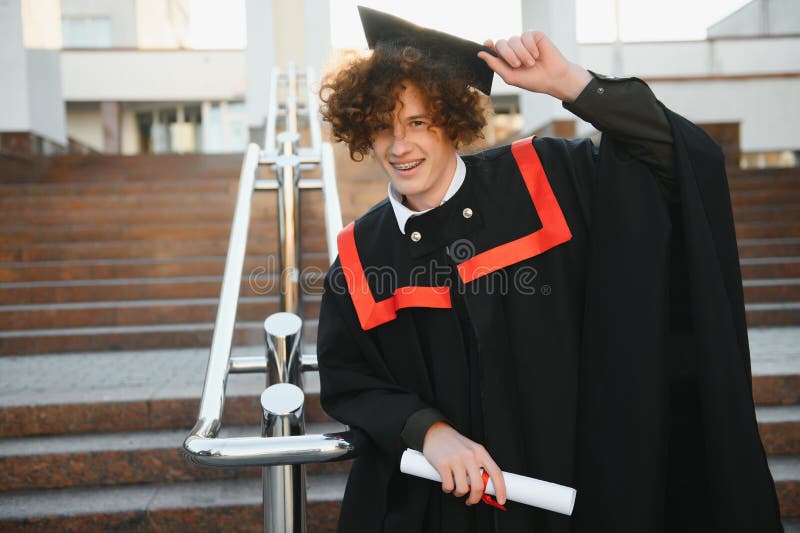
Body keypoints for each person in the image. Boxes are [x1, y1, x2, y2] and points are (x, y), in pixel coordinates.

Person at [316, 6, 783, 533]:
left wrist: (570, 84)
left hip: (579, 496)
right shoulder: (362, 255)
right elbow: (348, 379)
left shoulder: (546, 180)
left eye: (418, 122)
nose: (400, 146)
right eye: (383, 128)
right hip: (448, 510)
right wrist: (427, 430)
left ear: (450, 119)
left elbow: (674, 157)